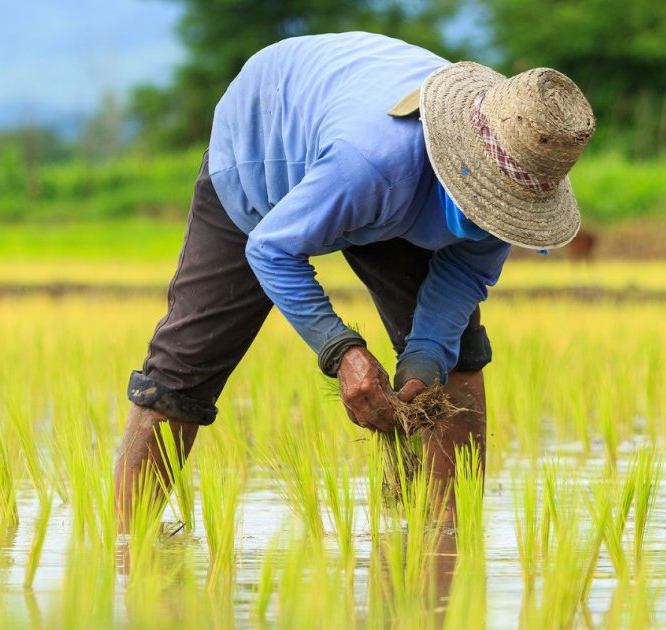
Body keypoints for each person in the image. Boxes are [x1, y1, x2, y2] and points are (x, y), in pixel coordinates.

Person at [113, 32, 595, 528]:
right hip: (267, 145)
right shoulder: (372, 162)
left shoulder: (517, 178)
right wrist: (341, 351)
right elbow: (272, 247)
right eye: (488, 202)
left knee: (455, 360)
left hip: (389, 184)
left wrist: (426, 355)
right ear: (459, 168)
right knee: (183, 370)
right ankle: (127, 541)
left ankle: (446, 539)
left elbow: (465, 273)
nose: (496, 217)